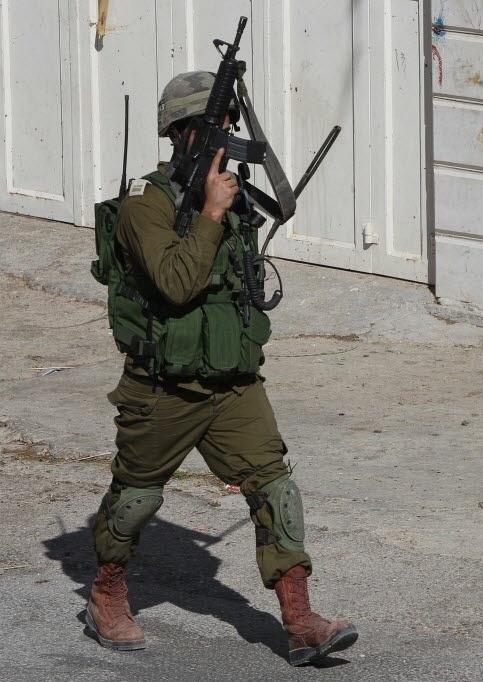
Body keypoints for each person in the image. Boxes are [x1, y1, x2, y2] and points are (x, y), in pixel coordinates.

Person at [85, 71, 358, 665]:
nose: (224, 137)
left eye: (230, 125)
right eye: (210, 128)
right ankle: (106, 593)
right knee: (135, 500)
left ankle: (300, 619)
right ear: (179, 134)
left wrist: (226, 209)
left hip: (233, 383)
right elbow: (178, 285)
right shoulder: (144, 208)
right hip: (166, 388)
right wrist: (210, 212)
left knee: (275, 490)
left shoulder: (232, 198)